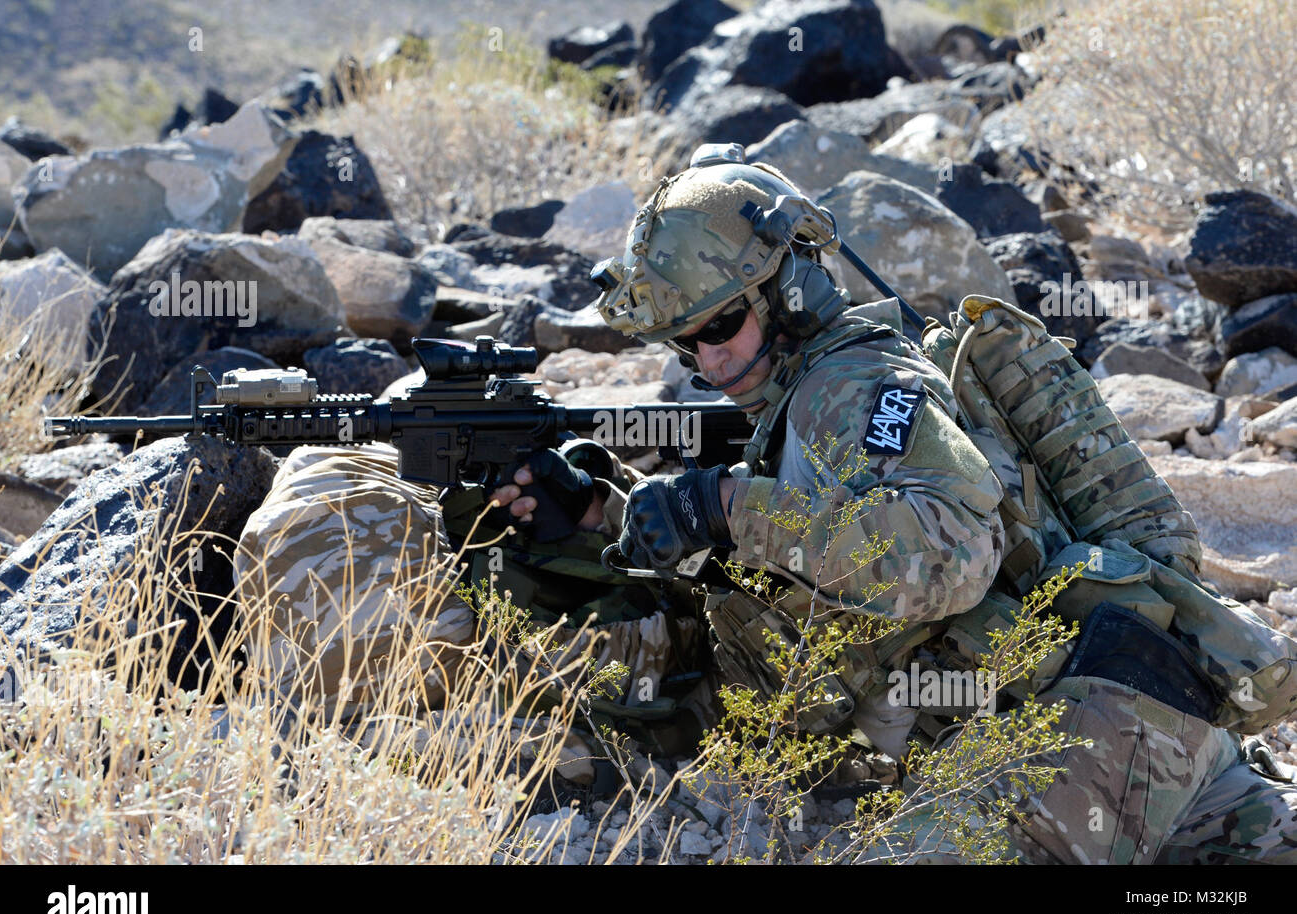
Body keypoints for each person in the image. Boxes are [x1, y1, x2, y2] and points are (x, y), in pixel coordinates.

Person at [236, 142, 1297, 862]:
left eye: (719, 327)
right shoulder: (800, 397)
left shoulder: (866, 387)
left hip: (1106, 725)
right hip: (1035, 729)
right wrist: (603, 515)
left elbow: (943, 555)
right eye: (681, 342)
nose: (703, 360)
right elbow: (801, 567)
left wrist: (726, 506)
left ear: (790, 285)